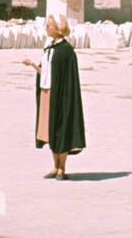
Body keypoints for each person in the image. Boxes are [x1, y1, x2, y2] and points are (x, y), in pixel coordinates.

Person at [23, 14, 86, 179]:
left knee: (60, 128)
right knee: (49, 129)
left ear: (58, 29)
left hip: (60, 96)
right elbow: (45, 72)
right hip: (47, 93)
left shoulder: (66, 51)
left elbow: (68, 79)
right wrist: (32, 65)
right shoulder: (49, 48)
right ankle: (54, 165)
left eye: (49, 26)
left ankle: (62, 168)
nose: (46, 28)